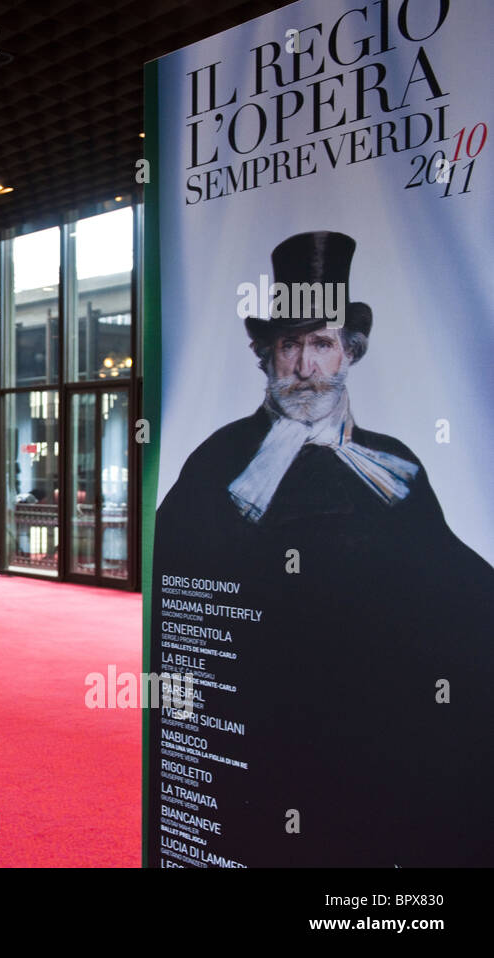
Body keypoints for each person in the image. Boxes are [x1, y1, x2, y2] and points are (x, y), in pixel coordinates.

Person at [154, 231, 494, 866]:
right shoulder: (219, 461)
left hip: (380, 730)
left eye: (321, 344)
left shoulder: (397, 464)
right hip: (272, 730)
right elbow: (184, 579)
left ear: (348, 353)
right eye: (289, 345)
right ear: (266, 355)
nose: (306, 367)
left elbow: (455, 586)